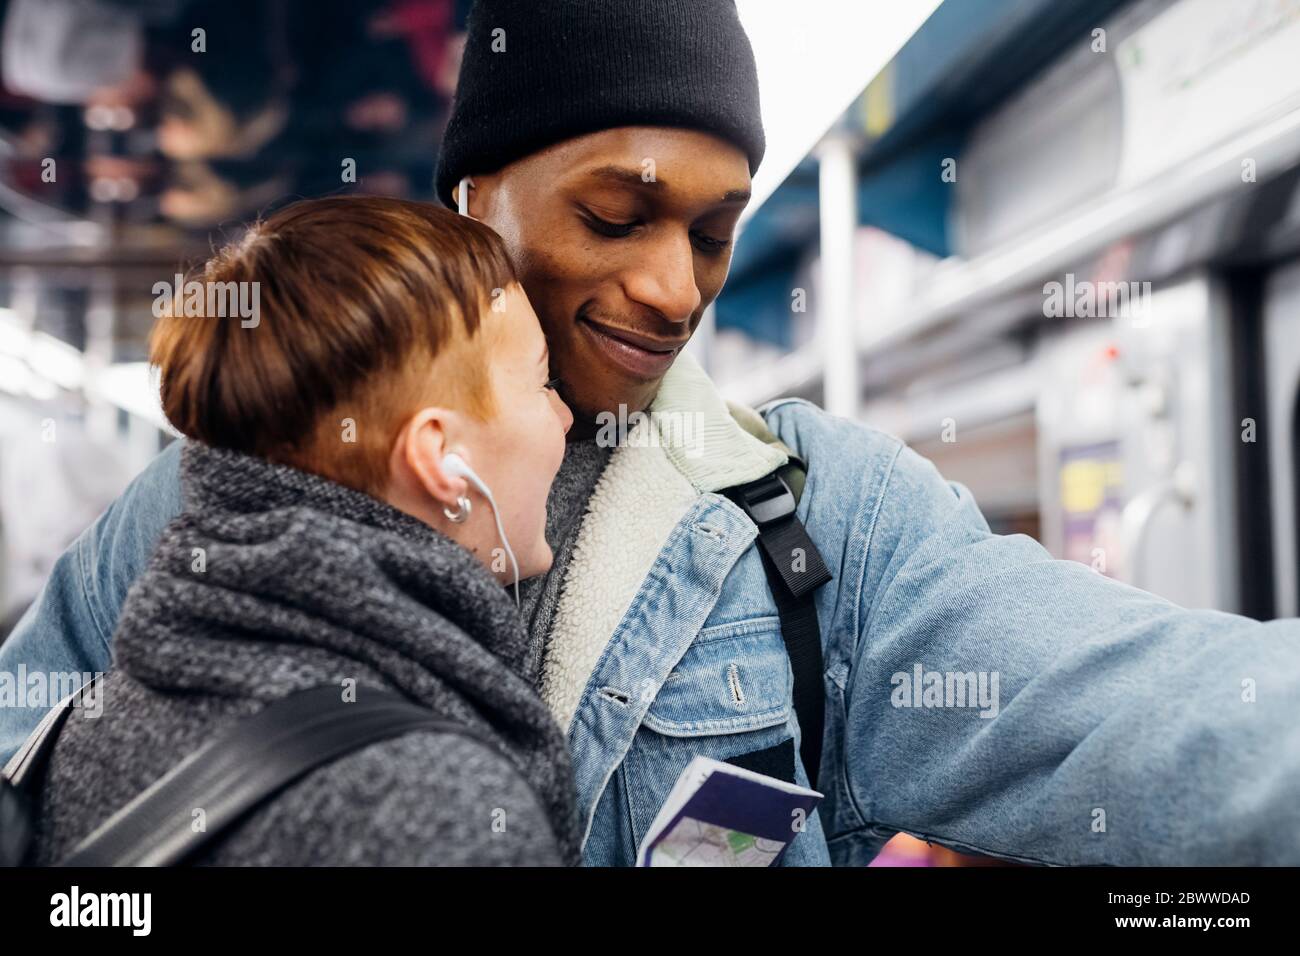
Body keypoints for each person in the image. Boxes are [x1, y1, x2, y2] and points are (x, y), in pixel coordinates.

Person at [5, 0, 1300, 866]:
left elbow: (1176, 725)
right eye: (619, 217)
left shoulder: (808, 520)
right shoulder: (223, 488)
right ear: (476, 204)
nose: (678, 287)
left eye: (716, 229)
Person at [28, 196, 580, 866]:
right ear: (440, 457)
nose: (564, 418)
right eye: (542, 382)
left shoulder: (93, 723)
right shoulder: (435, 811)